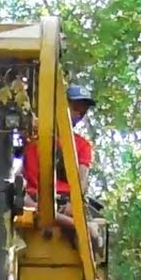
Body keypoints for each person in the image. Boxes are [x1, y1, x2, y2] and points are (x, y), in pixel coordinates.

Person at [21, 83, 95, 213]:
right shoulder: (32, 137)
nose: (79, 114)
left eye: (83, 111)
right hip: (32, 200)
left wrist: (73, 203)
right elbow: (18, 172)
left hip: (64, 202)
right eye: (76, 107)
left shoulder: (82, 145)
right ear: (61, 106)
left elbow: (82, 179)